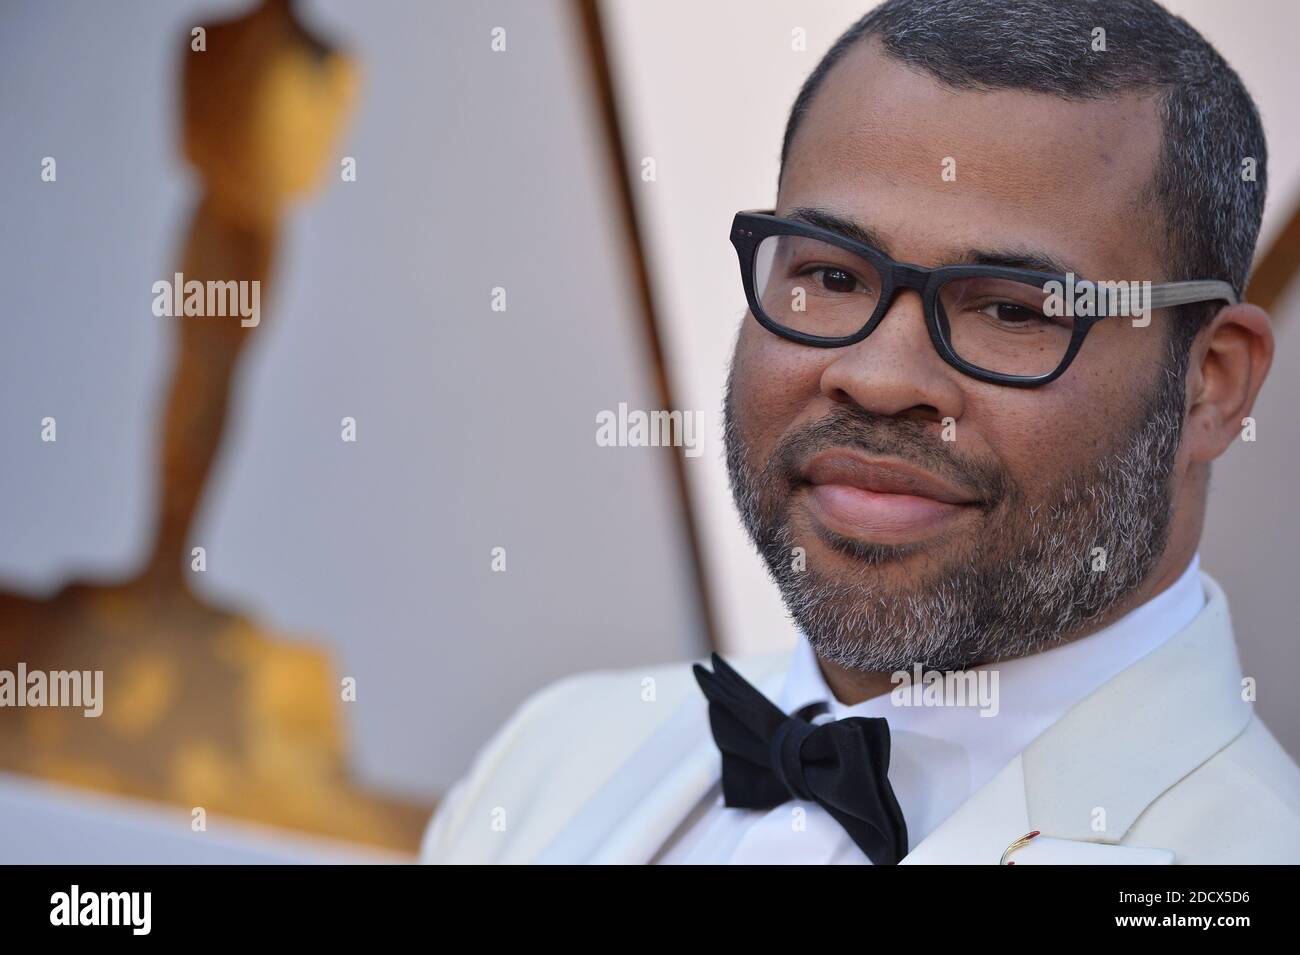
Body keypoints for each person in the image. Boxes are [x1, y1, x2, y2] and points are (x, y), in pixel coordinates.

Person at [422, 0, 1300, 864]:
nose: (879, 379)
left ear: (1211, 384)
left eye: (1007, 308)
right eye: (833, 275)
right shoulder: (548, 759)